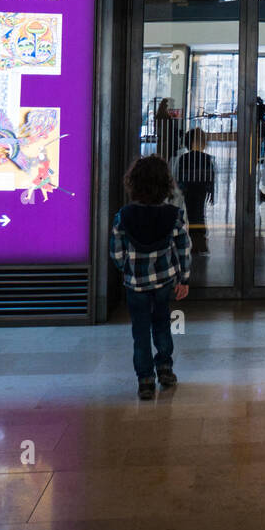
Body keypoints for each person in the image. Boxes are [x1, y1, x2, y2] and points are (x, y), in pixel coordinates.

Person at [109, 155, 190, 400]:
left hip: (136, 285)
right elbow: (183, 247)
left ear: (133, 183)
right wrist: (183, 278)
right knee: (162, 324)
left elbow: (117, 252)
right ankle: (165, 368)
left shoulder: (124, 216)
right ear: (165, 184)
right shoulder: (173, 215)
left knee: (140, 331)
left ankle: (145, 380)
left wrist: (127, 268)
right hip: (164, 282)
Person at [175, 128, 216, 254]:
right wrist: (211, 191)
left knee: (192, 215)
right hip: (201, 189)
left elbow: (180, 176)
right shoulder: (207, 158)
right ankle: (201, 242)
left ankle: (197, 241)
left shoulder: (184, 158)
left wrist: (182, 189)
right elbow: (210, 176)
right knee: (199, 213)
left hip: (189, 190)